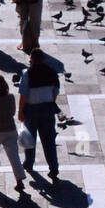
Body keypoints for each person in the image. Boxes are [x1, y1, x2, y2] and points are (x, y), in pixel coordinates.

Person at [19, 49, 61, 181]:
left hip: (32, 109)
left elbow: (24, 96)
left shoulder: (27, 74)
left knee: (29, 138)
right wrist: (49, 103)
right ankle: (53, 168)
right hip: (48, 108)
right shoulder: (52, 72)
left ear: (31, 60)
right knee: (49, 140)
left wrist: (20, 111)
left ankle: (29, 163)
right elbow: (55, 92)